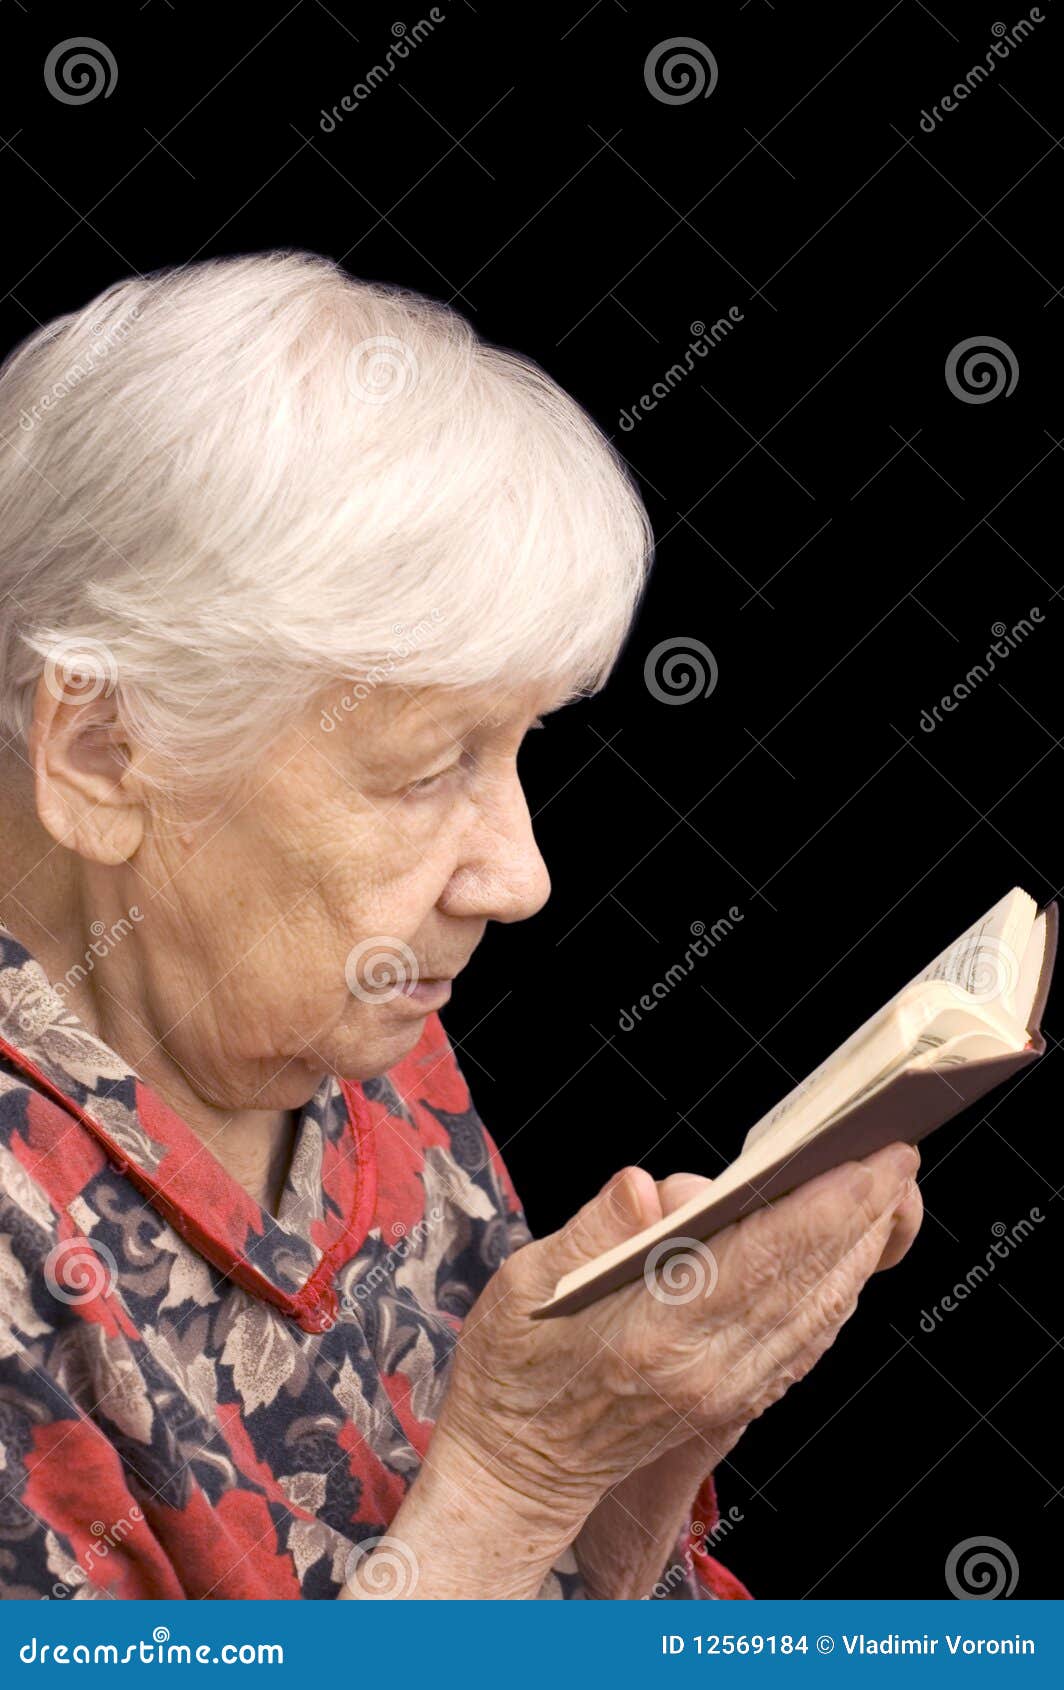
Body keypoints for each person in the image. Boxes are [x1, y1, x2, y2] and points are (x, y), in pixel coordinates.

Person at [0, 252, 922, 1599]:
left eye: (518, 748)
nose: (520, 873)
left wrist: (640, 1444)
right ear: (102, 749)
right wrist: (521, 1470)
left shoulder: (329, 1017)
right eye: (427, 769)